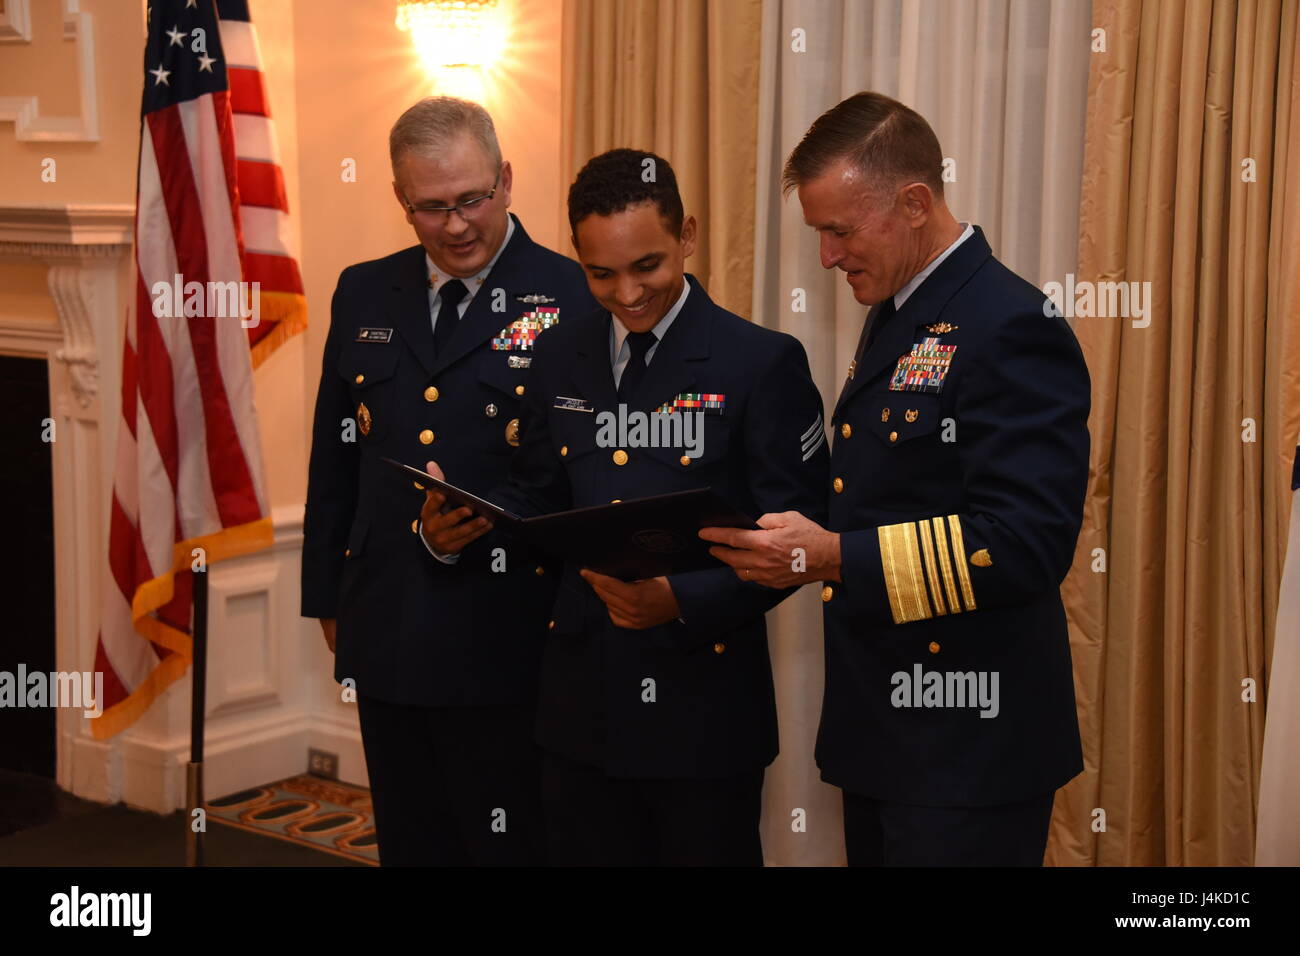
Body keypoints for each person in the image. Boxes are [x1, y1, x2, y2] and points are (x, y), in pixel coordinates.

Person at [702, 91, 1090, 866]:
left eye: (839, 231)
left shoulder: (1010, 323)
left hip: (969, 743)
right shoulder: (905, 306)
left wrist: (833, 556)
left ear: (915, 202)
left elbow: (1024, 546)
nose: (828, 257)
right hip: (888, 730)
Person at [422, 149, 829, 865]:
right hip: (581, 706)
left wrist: (682, 598)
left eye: (648, 266)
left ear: (689, 236)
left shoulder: (759, 362)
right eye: (600, 274)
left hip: (703, 711)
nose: (628, 293)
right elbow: (541, 494)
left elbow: (795, 546)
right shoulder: (558, 355)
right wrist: (465, 520)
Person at [301, 96, 594, 865]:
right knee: (412, 837)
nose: (457, 225)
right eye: (431, 208)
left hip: (510, 626)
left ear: (505, 178)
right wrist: (326, 594)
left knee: (510, 839)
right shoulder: (364, 289)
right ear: (401, 200)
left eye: (472, 199)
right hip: (389, 619)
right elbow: (336, 455)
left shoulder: (573, 296)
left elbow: (581, 473)